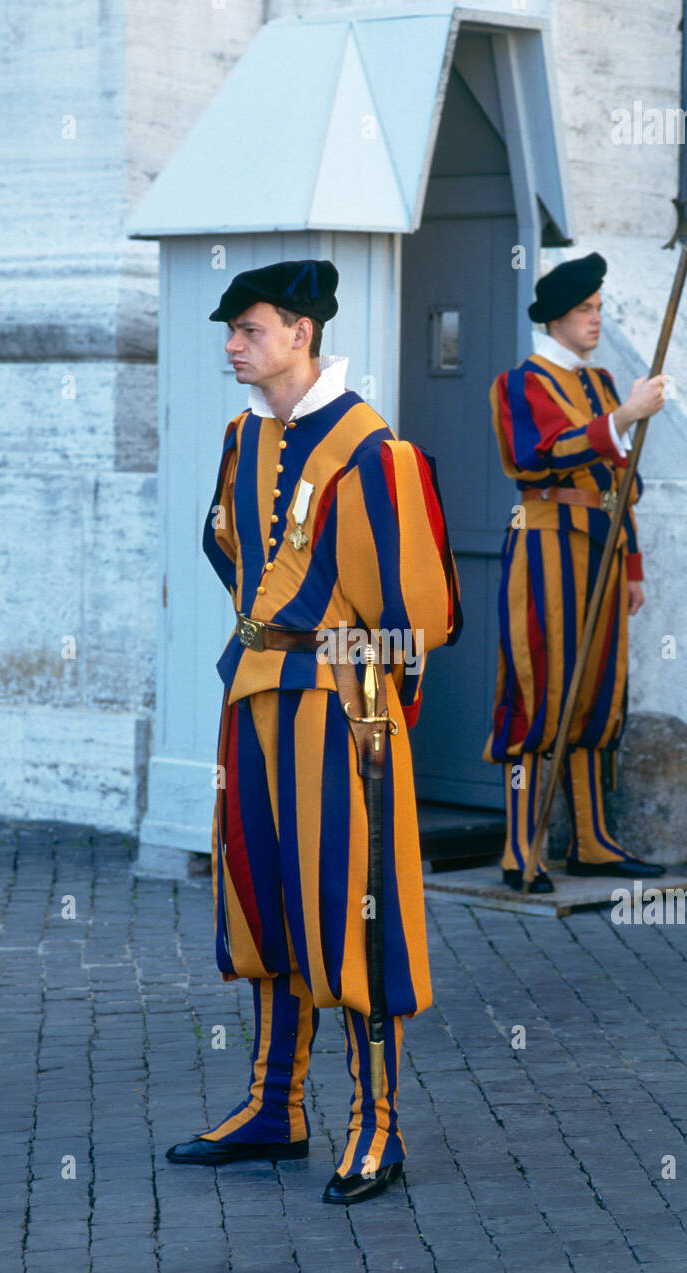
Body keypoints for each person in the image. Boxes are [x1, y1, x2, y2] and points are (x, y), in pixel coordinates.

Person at [166, 259, 462, 1203]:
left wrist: (323, 642)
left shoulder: (376, 451)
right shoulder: (238, 437)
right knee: (265, 899)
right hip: (253, 693)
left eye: (247, 329)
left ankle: (378, 1126)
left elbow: (419, 611)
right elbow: (222, 543)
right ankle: (273, 1107)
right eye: (231, 331)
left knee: (353, 909)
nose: (231, 345)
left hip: (342, 710)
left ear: (300, 332)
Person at [484, 252, 666, 892]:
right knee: (540, 692)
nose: (595, 320)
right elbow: (536, 457)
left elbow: (623, 483)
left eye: (597, 308)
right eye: (585, 310)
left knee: (595, 696)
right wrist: (622, 419)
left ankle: (592, 843)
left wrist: (635, 565)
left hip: (603, 552)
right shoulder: (519, 384)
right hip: (545, 547)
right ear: (556, 318)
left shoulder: (603, 382)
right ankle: (520, 850)